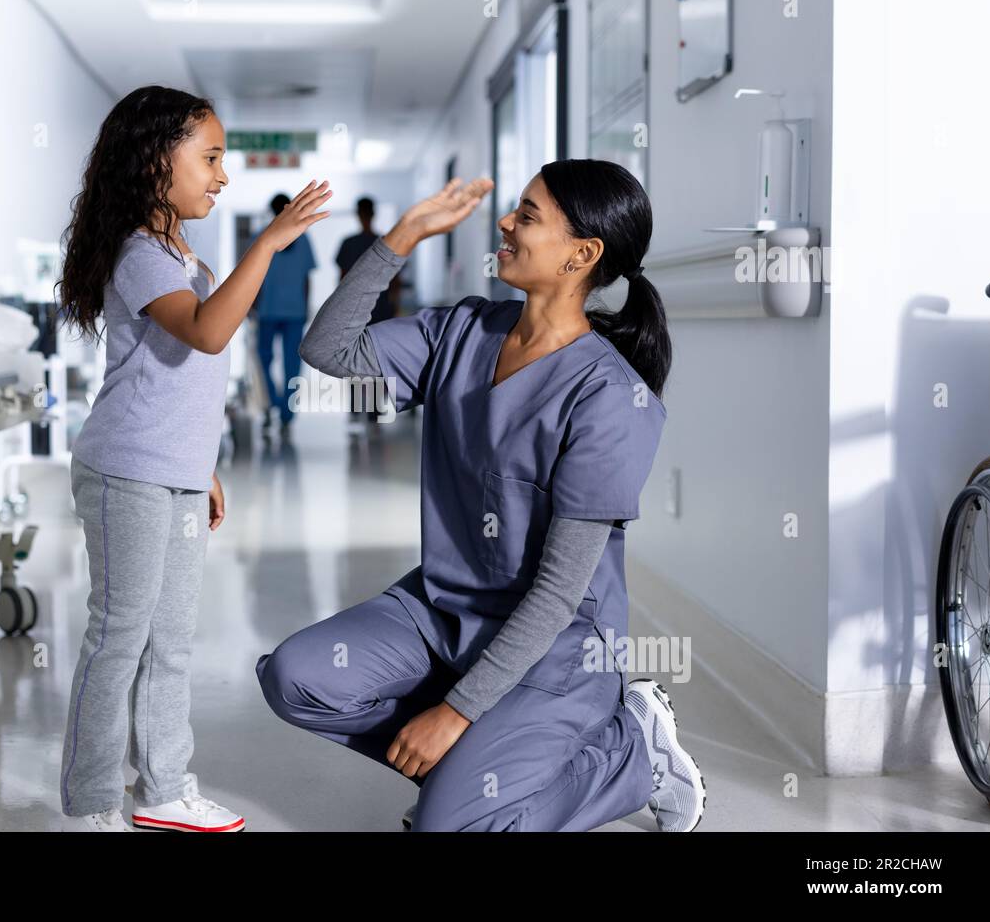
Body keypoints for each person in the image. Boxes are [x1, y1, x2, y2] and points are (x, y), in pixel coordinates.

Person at [257, 162, 706, 831]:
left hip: (560, 647)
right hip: (443, 612)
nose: (505, 222)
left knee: (452, 826)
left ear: (581, 255)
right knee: (294, 675)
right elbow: (329, 350)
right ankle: (476, 774)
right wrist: (402, 235)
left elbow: (557, 594)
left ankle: (632, 753)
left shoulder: (611, 397)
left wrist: (456, 712)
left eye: (526, 215)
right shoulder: (462, 331)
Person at [56, 85, 331, 832]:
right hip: (126, 471)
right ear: (155, 162)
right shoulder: (140, 254)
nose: (221, 175)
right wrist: (269, 242)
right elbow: (207, 334)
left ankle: (165, 787)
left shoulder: (183, 253)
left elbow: (183, 376)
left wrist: (200, 463)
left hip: (172, 472)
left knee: (171, 640)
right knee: (120, 635)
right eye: (209, 157)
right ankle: (88, 804)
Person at [254, 193, 317, 440]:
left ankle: (273, 405)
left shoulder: (262, 234)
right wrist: (304, 307)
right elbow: (306, 279)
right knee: (292, 365)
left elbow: (253, 277)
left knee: (264, 361)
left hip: (268, 310)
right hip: (292, 311)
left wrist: (252, 307)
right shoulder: (303, 238)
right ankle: (286, 413)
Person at [336, 196, 402, 428]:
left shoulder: (350, 244)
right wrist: (394, 303)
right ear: (372, 214)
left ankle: (358, 406)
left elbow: (342, 280)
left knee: (355, 357)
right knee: (376, 357)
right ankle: (372, 408)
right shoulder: (383, 242)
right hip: (379, 309)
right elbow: (396, 280)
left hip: (358, 310)